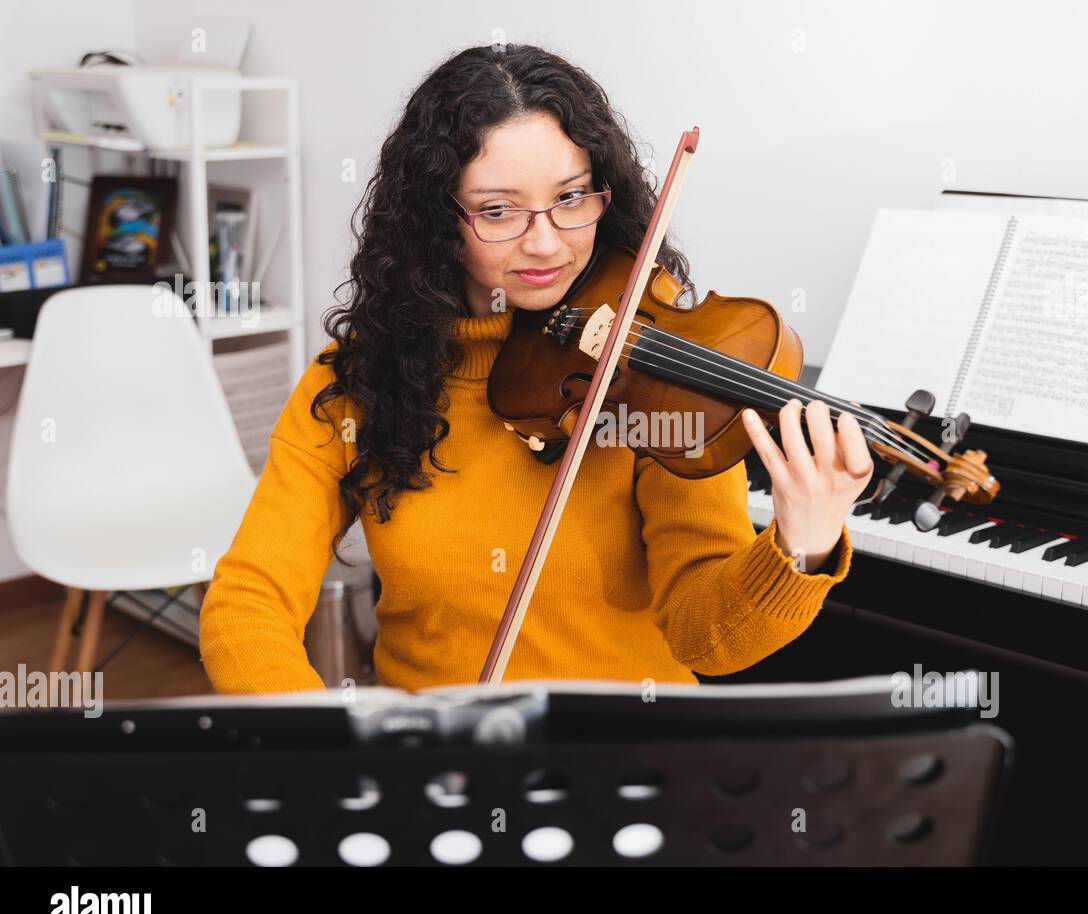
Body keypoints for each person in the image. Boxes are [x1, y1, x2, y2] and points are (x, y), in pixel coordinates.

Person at [198, 43, 873, 694]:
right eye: (497, 210)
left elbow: (709, 642)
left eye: (573, 198)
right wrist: (331, 747)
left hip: (631, 758)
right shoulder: (358, 382)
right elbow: (247, 601)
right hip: (447, 757)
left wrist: (799, 547)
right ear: (435, 219)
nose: (546, 242)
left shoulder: (653, 377)